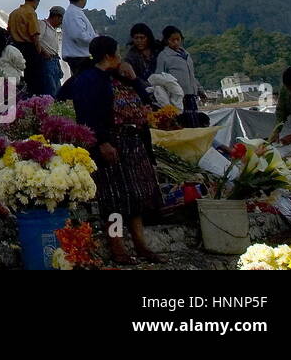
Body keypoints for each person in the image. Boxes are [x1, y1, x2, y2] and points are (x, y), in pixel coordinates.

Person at [68, 35, 162, 265]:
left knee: (136, 198)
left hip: (132, 142)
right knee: (115, 200)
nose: (120, 57)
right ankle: (118, 247)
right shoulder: (90, 79)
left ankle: (141, 245)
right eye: (117, 53)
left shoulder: (118, 75)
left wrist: (134, 77)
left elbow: (143, 96)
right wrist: (102, 142)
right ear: (109, 56)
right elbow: (88, 115)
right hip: (111, 143)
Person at [154, 25, 205, 118]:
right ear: (166, 41)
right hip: (176, 98)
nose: (176, 42)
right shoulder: (164, 56)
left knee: (194, 126)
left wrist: (200, 89)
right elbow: (159, 78)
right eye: (172, 40)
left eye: (178, 39)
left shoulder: (186, 54)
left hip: (191, 97)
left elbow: (191, 76)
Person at [7, 0, 43, 94]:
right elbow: (35, 35)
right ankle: (33, 101)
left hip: (15, 47)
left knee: (17, 77)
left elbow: (9, 31)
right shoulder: (31, 13)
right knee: (33, 79)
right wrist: (39, 50)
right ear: (36, 0)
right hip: (29, 48)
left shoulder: (14, 13)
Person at [61, 0, 97, 79]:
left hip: (80, 56)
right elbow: (79, 36)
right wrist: (95, 40)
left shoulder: (74, 12)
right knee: (85, 85)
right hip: (79, 57)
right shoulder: (73, 13)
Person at [123, 23, 161, 91]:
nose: (139, 41)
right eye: (136, 38)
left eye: (142, 38)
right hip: (144, 89)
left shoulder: (158, 50)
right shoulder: (131, 56)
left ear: (148, 38)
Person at [37, 6, 65, 97]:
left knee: (57, 88)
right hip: (47, 61)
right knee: (50, 89)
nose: (61, 22)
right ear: (56, 17)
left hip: (55, 60)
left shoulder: (54, 29)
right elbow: (36, 40)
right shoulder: (42, 24)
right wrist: (44, 52)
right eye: (61, 19)